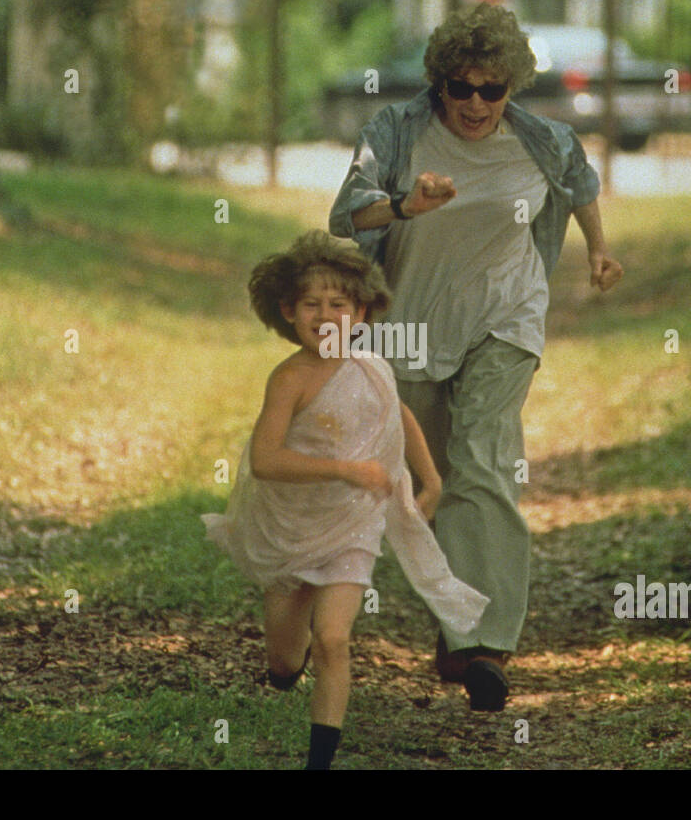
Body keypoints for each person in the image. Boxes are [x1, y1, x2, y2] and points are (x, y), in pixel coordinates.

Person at [329, 3, 623, 712]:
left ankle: (487, 642)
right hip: (411, 327)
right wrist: (407, 205)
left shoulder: (541, 139)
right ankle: (453, 618)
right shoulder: (397, 132)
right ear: (441, 85)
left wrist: (600, 249)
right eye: (461, 87)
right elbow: (347, 213)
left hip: (506, 318)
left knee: (484, 458)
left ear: (510, 89)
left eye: (492, 89)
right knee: (428, 478)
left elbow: (580, 183)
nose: (476, 103)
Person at [202, 231, 489, 770]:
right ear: (287, 310)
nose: (325, 315)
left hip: (353, 524)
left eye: (339, 304)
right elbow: (265, 460)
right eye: (311, 303)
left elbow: (397, 415)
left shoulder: (371, 367)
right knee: (285, 661)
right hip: (288, 526)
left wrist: (430, 481)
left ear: (362, 312)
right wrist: (345, 468)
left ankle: (319, 761)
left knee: (333, 639)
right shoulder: (289, 379)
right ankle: (288, 665)